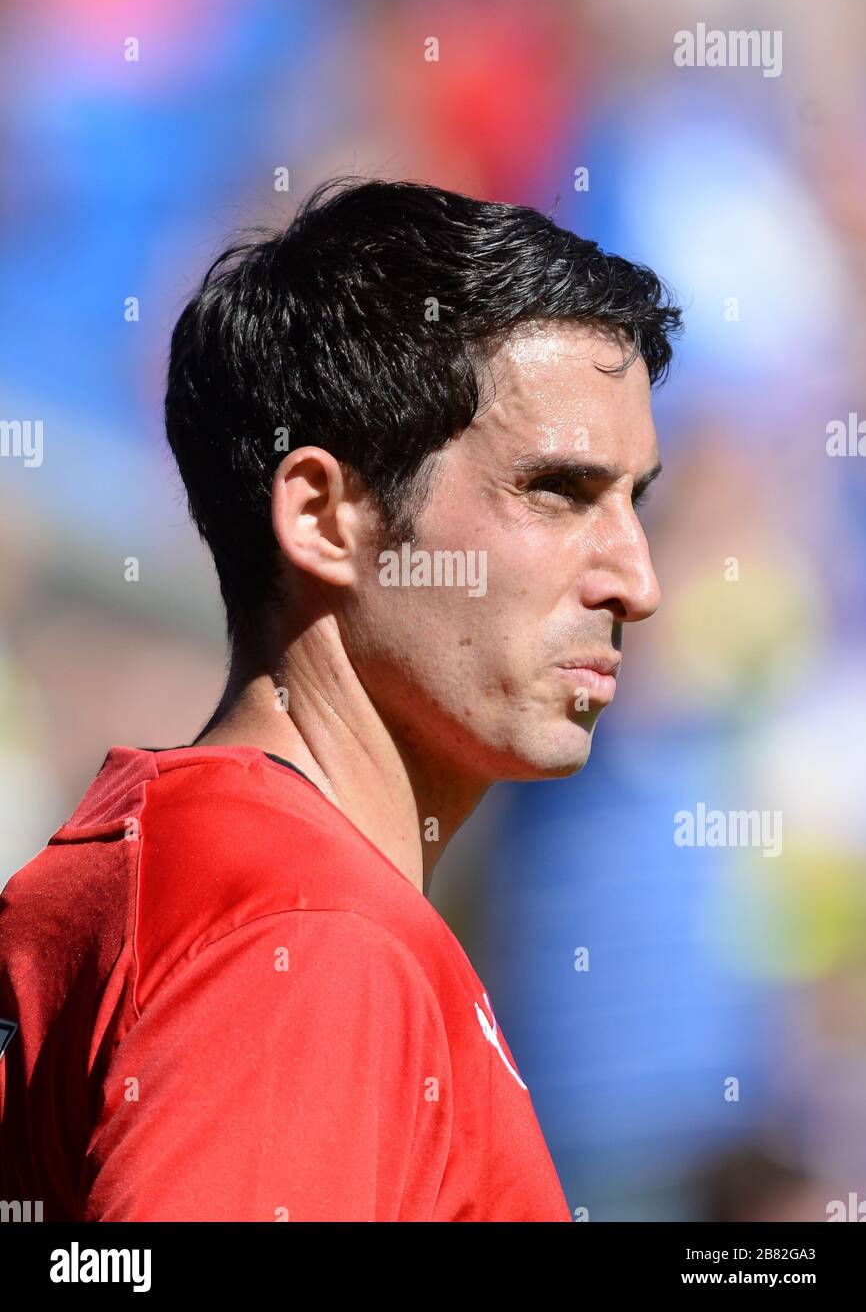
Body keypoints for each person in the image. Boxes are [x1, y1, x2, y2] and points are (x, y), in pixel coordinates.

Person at [0, 176, 681, 1221]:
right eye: (556, 491)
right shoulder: (307, 935)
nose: (635, 580)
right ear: (324, 517)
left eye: (632, 503)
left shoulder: (173, 869)